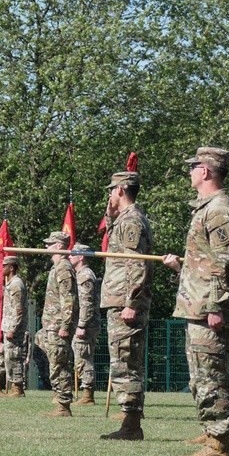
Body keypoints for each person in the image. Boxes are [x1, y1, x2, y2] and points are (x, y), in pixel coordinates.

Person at [162, 147, 229, 456]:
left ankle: (219, 445)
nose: (189, 172)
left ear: (205, 171)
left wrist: (215, 306)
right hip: (198, 305)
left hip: (209, 308)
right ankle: (211, 434)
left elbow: (222, 263)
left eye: (193, 167)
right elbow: (205, 263)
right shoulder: (207, 208)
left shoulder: (219, 209)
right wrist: (179, 269)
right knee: (200, 376)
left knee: (211, 377)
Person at [98, 170, 152, 439]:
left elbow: (136, 263)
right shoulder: (124, 220)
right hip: (120, 299)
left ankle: (131, 425)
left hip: (124, 302)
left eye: (111, 190)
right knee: (124, 360)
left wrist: (132, 301)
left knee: (125, 362)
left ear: (120, 190)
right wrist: (110, 217)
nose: (109, 195)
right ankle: (130, 422)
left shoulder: (131, 221)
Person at [38, 231, 77, 416]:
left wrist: (65, 325)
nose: (46, 246)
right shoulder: (57, 267)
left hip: (58, 325)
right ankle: (60, 401)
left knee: (59, 365)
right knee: (55, 364)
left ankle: (63, 405)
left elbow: (68, 299)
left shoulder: (63, 268)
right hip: (52, 325)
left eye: (50, 243)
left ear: (59, 246)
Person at [0, 253, 27, 397]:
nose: (1, 268)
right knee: (3, 356)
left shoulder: (16, 284)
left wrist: (12, 329)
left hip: (13, 329)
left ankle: (17, 388)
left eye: (4, 266)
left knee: (14, 357)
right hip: (6, 327)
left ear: (11, 268)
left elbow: (18, 310)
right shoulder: (9, 284)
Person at [70, 245, 99, 405]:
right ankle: (86, 392)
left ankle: (88, 395)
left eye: (73, 254)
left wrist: (82, 325)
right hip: (83, 323)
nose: (69, 257)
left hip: (86, 325)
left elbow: (87, 303)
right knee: (80, 356)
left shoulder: (85, 275)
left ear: (81, 257)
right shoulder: (80, 274)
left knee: (83, 357)